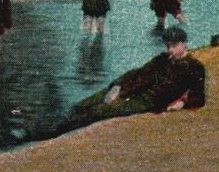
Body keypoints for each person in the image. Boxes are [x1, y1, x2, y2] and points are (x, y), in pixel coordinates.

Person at [57, 26, 206, 134]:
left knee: (97, 111)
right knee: (81, 105)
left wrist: (182, 103)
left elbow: (198, 97)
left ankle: (54, 132)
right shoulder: (162, 59)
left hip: (145, 101)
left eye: (174, 46)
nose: (170, 50)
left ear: (184, 43)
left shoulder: (194, 67)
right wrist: (118, 85)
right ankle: (54, 126)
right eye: (168, 46)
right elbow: (137, 72)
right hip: (128, 89)